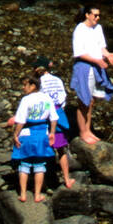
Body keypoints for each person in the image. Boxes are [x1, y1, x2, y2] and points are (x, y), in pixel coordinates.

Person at [70, 5, 113, 145]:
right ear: (87, 15)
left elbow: (101, 47)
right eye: (95, 15)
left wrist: (108, 55)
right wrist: (97, 60)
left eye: (99, 15)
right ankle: (83, 132)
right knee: (83, 101)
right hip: (84, 67)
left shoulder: (98, 28)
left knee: (91, 102)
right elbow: (79, 53)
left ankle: (88, 129)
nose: (97, 18)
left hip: (97, 66)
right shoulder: (79, 29)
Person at [11, 72, 57, 203]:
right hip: (42, 133)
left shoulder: (26, 100)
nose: (23, 88)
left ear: (32, 86)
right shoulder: (47, 99)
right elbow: (53, 117)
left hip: (27, 133)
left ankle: (23, 194)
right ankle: (37, 194)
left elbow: (21, 120)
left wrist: (15, 134)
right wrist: (52, 133)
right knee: (39, 165)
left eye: (25, 85)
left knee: (24, 164)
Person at [33, 54, 75, 188]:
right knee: (61, 149)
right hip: (58, 113)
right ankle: (67, 179)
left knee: (42, 148)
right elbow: (63, 97)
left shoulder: (39, 83)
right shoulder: (57, 80)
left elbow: (40, 99)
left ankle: (42, 182)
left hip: (45, 115)